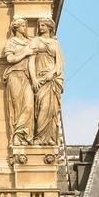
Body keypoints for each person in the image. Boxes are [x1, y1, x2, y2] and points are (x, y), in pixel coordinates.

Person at [2, 18, 36, 146]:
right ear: (16, 28)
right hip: (14, 75)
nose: (25, 28)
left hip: (27, 76)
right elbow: (10, 59)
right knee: (17, 108)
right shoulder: (11, 42)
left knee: (29, 105)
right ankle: (17, 136)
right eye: (22, 26)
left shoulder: (30, 42)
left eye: (25, 26)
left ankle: (24, 134)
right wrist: (25, 53)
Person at [32, 17, 64, 146]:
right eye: (40, 25)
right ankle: (40, 136)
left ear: (49, 27)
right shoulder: (35, 41)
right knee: (42, 107)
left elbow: (60, 63)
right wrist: (34, 79)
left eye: (43, 25)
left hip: (52, 79)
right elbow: (31, 61)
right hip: (40, 79)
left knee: (51, 109)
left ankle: (49, 137)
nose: (40, 27)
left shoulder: (55, 44)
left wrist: (52, 73)